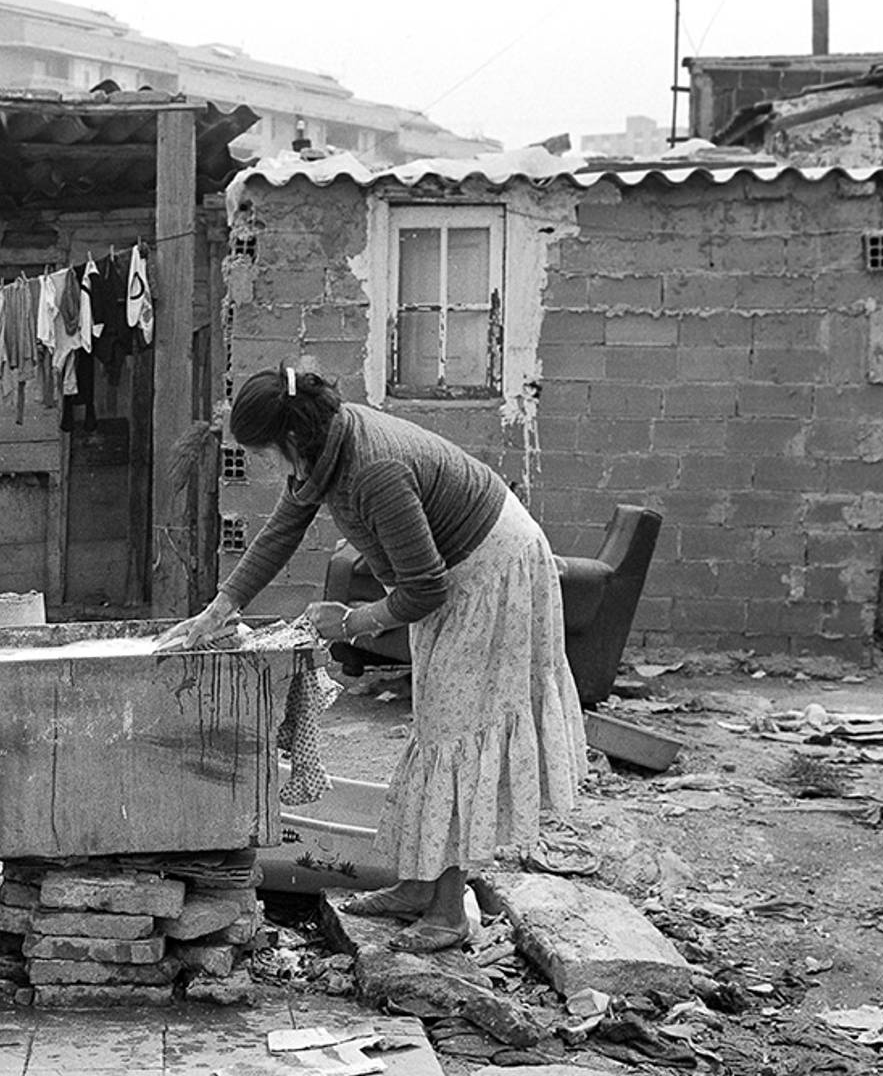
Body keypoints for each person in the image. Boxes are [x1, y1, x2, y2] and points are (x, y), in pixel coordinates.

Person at [160, 366, 585, 953]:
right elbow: (281, 531)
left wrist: (353, 624)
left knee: (456, 737)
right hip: (456, 574)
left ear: (289, 438)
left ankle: (447, 912)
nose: (263, 467)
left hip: (492, 573)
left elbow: (426, 590)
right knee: (438, 727)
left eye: (262, 454)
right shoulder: (323, 448)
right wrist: (220, 608)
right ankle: (417, 887)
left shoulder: (374, 468)